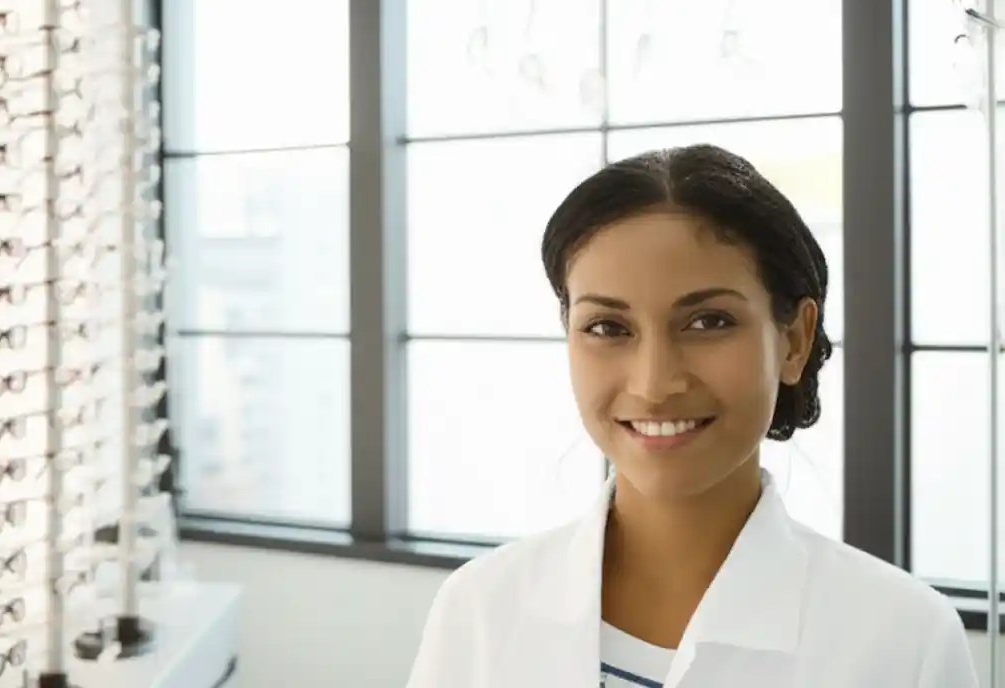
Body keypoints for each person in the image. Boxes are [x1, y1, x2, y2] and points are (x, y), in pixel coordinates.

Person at [404, 144, 978, 688]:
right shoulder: (479, 610)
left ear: (795, 341)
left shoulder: (904, 641)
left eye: (708, 322)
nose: (654, 384)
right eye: (608, 328)